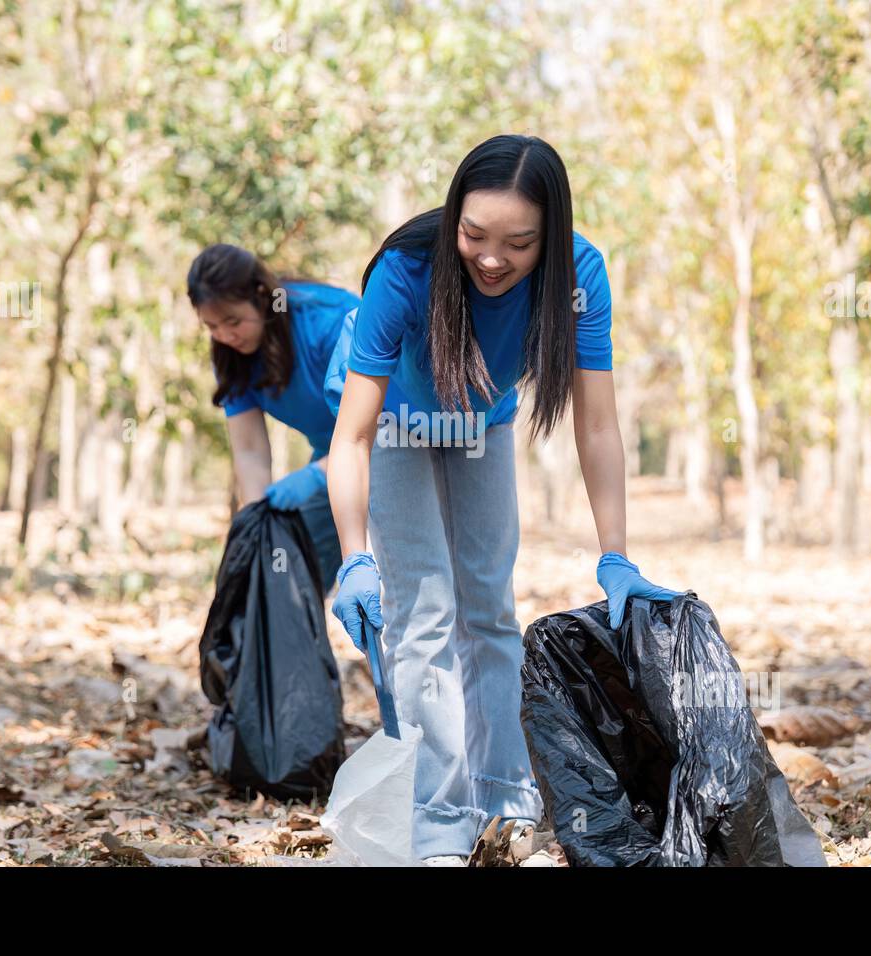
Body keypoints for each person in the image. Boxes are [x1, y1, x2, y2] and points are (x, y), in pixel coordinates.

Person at [325, 134, 681, 866]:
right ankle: (435, 823)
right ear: (452, 217)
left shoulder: (580, 274)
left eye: (519, 244)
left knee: (488, 609)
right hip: (396, 420)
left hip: (480, 422)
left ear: (549, 238)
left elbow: (600, 423)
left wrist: (616, 554)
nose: (492, 258)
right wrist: (353, 558)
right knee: (422, 613)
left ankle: (504, 807)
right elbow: (352, 435)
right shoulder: (406, 271)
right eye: (475, 235)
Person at [187, 243, 359, 586]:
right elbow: (249, 452)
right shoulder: (231, 355)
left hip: (399, 446)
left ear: (262, 296)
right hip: (333, 459)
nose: (224, 336)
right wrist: (257, 521)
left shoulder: (332, 323)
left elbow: (387, 426)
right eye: (212, 326)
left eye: (233, 321)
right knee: (286, 567)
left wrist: (314, 477)